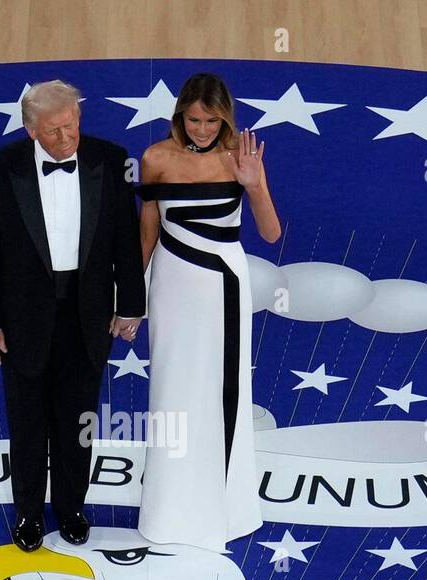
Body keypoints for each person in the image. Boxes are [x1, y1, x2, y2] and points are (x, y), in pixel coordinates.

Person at [0, 80, 146, 552]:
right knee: (27, 423)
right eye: (52, 131)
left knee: (77, 420)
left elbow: (126, 242)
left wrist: (131, 304)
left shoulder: (111, 160)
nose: (65, 138)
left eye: (70, 126)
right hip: (23, 317)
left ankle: (72, 508)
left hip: (88, 314)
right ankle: (28, 515)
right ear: (30, 130)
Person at [131, 73, 282, 553]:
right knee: (172, 392)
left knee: (221, 394)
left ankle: (227, 509)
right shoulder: (155, 159)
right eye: (193, 119)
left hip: (223, 290)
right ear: (180, 115)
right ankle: (169, 511)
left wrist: (253, 184)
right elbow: (147, 233)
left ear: (225, 117)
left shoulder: (241, 157)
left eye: (211, 120)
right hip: (171, 288)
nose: (201, 129)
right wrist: (130, 300)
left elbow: (272, 233)